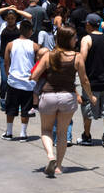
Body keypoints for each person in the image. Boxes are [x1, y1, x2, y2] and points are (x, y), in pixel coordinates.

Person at [31, 26, 98, 177]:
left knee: (46, 130)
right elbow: (84, 80)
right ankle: (59, 167)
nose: (76, 40)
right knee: (62, 132)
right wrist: (91, 96)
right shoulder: (77, 56)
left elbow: (34, 75)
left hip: (48, 96)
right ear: (68, 39)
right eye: (74, 38)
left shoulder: (49, 55)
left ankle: (50, 156)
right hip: (67, 97)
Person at [80, 12, 104, 146]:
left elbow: (82, 59)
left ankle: (87, 136)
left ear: (89, 25)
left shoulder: (86, 39)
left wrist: (81, 73)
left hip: (92, 83)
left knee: (88, 110)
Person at [2, 21, 40, 140]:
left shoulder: (10, 44)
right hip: (28, 83)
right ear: (30, 31)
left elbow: (6, 63)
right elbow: (38, 64)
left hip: (14, 81)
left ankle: (9, 132)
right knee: (26, 109)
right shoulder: (35, 46)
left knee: (11, 108)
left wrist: (9, 75)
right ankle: (23, 134)